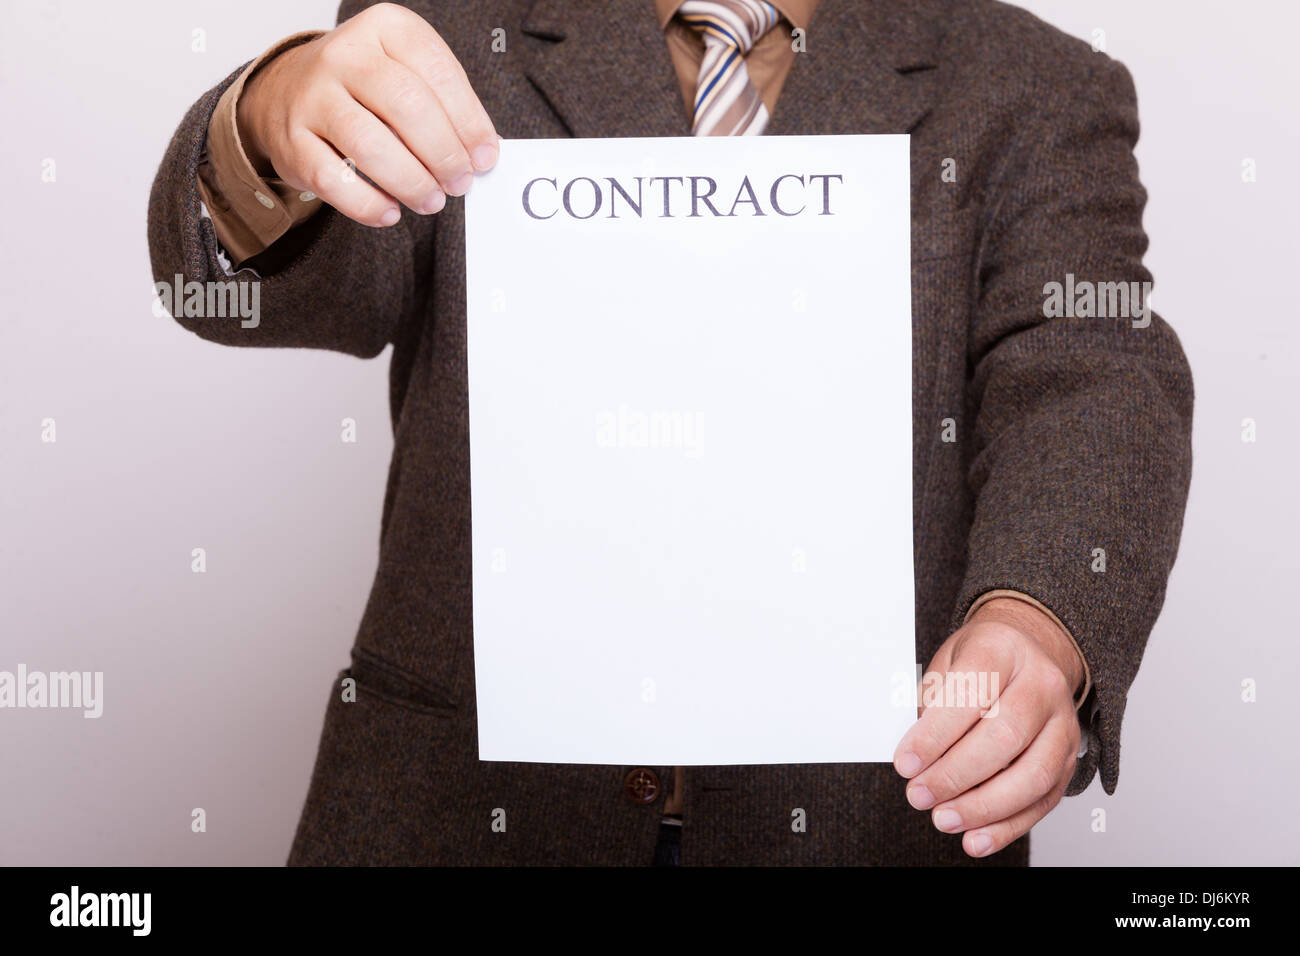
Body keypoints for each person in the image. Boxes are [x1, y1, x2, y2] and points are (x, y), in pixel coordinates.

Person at [147, 0, 1194, 866]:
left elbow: (1087, 366)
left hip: (869, 818)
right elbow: (270, 291)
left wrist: (1038, 618)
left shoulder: (1033, 81)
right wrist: (274, 115)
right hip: (455, 809)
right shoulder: (453, 26)